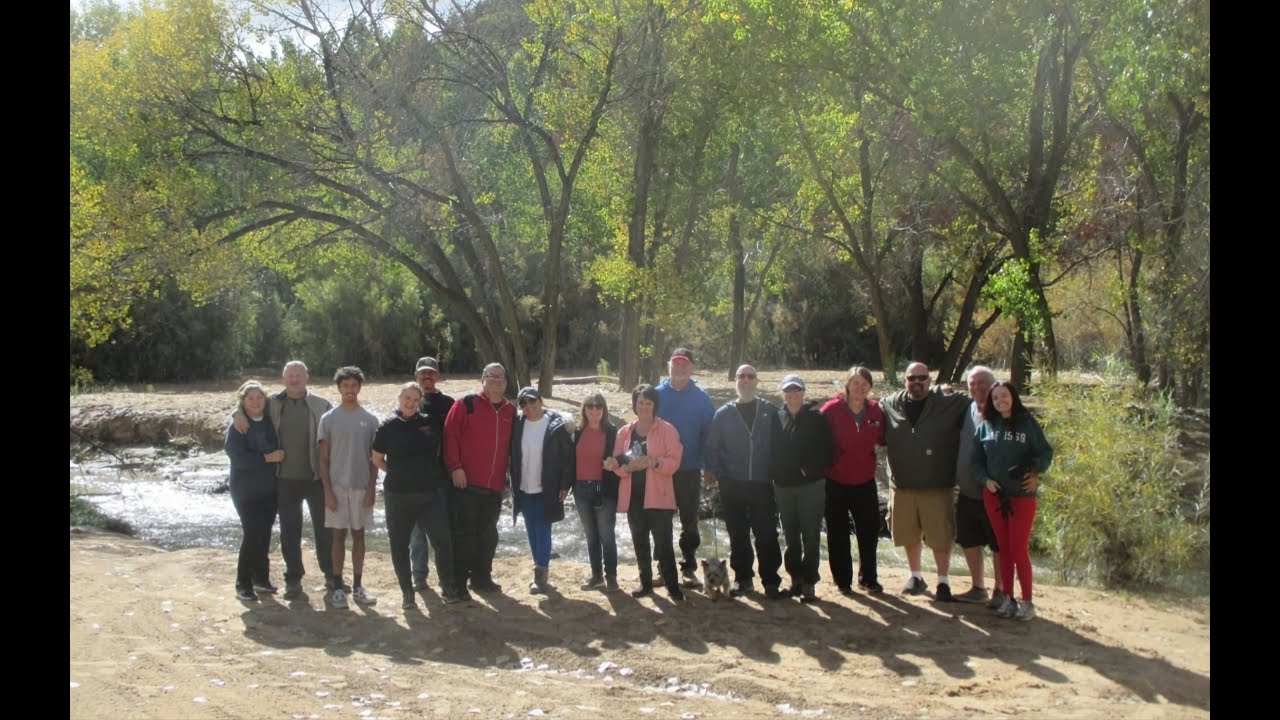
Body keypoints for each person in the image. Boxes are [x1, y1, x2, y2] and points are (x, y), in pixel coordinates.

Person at [233, 361, 335, 599]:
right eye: (290, 375)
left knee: (324, 530)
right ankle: (293, 579)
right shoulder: (273, 403)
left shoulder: (322, 405)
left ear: (307, 377)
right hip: (284, 480)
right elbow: (249, 405)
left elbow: (335, 432)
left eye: (299, 374)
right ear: (283, 378)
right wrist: (236, 412)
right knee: (290, 533)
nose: (295, 379)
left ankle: (331, 575)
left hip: (316, 479)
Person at [881, 362, 970, 601]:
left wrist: (943, 389)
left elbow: (979, 401)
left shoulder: (948, 402)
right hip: (902, 485)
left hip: (937, 485)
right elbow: (864, 408)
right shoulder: (890, 404)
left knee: (941, 537)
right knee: (908, 535)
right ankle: (916, 576)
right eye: (912, 378)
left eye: (922, 378)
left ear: (930, 381)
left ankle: (943, 582)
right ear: (905, 381)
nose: (917, 382)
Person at [372, 383, 464, 610]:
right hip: (398, 495)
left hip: (430, 494)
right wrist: (396, 473)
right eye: (407, 398)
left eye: (415, 399)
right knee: (399, 544)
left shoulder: (429, 423)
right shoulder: (387, 427)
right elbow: (376, 458)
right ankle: (407, 593)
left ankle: (448, 587)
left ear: (419, 401)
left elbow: (443, 449)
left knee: (442, 541)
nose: (411, 403)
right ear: (399, 398)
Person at [971, 381, 1053, 621]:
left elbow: (1045, 453)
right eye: (995, 398)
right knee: (1004, 548)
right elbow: (975, 461)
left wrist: (1035, 472)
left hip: (1021, 496)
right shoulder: (986, 426)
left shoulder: (1027, 424)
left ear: (1013, 397)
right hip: (995, 496)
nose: (1000, 401)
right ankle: (1008, 598)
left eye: (1004, 396)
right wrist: (985, 480)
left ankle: (1027, 602)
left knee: (1018, 549)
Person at [705, 364, 785, 598]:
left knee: (767, 533)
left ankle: (771, 582)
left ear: (757, 381)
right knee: (738, 534)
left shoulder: (770, 411)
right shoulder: (723, 414)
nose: (746, 381)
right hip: (732, 483)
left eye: (750, 377)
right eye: (741, 376)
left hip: (762, 483)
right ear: (736, 381)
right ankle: (743, 580)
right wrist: (713, 471)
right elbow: (712, 447)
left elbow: (782, 443)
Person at [607, 384, 685, 602]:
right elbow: (617, 463)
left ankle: (673, 586)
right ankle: (646, 584)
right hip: (633, 498)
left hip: (659, 497)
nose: (643, 407)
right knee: (639, 542)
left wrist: (653, 463)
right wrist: (626, 468)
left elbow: (674, 462)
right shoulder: (624, 432)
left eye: (648, 403)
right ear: (635, 404)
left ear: (654, 405)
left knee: (664, 545)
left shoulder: (667, 430)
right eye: (640, 402)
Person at [444, 363, 516, 595]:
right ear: (482, 380)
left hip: (495, 487)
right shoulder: (465, 404)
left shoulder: (510, 411)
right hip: (466, 484)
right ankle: (458, 583)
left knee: (488, 537)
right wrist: (455, 468)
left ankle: (481, 579)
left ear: (506, 383)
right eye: (491, 376)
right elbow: (450, 436)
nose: (496, 380)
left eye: (501, 377)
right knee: (464, 537)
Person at [820, 366, 888, 596]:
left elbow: (884, 439)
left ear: (870, 387)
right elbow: (816, 436)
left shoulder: (876, 411)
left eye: (864, 384)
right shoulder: (831, 409)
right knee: (837, 533)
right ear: (847, 385)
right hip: (835, 481)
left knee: (868, 533)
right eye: (855, 383)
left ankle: (868, 578)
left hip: (865, 481)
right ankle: (842, 581)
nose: (860, 388)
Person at [318, 366, 380, 609]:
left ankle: (358, 586)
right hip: (336, 487)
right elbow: (323, 459)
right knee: (337, 536)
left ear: (359, 387)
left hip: (361, 486)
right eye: (345, 386)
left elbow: (375, 460)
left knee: (359, 535)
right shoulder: (328, 419)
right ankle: (337, 588)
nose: (350, 390)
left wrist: (371, 489)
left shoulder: (371, 420)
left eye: (354, 385)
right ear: (339, 388)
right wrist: (327, 492)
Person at [654, 348, 716, 589]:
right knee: (661, 522)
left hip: (690, 469)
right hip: (660, 471)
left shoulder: (702, 399)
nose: (680, 368)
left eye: (684, 365)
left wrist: (709, 466)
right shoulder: (656, 395)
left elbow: (709, 436)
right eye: (676, 364)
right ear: (668, 366)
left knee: (689, 522)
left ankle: (688, 568)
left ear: (691, 368)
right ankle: (662, 569)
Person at [770, 374, 832, 603]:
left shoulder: (817, 418)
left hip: (810, 486)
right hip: (783, 486)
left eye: (796, 390)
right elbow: (771, 448)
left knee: (811, 536)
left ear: (803, 393)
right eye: (788, 391)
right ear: (783, 394)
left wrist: (811, 470)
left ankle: (809, 582)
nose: (792, 395)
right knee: (791, 537)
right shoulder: (777, 417)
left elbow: (828, 450)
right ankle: (795, 578)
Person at [509, 387, 575, 594]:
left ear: (541, 401)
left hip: (548, 487)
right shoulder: (517, 425)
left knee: (543, 527)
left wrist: (564, 485)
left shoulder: (556, 425)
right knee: (531, 529)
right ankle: (538, 564)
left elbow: (568, 458)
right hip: (524, 486)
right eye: (523, 403)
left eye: (532, 401)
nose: (529, 406)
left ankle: (541, 573)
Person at [224, 381, 285, 601]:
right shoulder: (238, 425)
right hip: (245, 489)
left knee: (265, 533)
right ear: (243, 401)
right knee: (252, 533)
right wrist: (268, 458)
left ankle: (261, 579)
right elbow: (237, 459)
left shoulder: (269, 420)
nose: (256, 402)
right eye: (250, 398)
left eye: (259, 398)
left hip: (268, 488)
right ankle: (243, 583)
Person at [952, 366, 1004, 606]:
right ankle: (978, 587)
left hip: (995, 493)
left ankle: (1001, 590)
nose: (976, 387)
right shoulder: (968, 408)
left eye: (982, 382)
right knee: (969, 540)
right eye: (972, 383)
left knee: (998, 544)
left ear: (994, 384)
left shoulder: (1004, 411)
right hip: (967, 492)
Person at [409, 357, 455, 592]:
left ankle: (446, 578)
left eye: (431, 373)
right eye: (423, 374)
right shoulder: (410, 401)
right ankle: (419, 576)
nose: (427, 377)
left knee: (442, 532)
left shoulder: (449, 404)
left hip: (442, 477)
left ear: (437, 376)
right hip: (415, 479)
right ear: (416, 376)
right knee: (417, 532)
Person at [572, 392, 620, 591]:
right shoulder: (577, 432)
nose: (594, 410)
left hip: (604, 489)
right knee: (591, 535)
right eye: (590, 406)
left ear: (604, 409)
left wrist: (614, 463)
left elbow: (623, 456)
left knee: (606, 535)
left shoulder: (612, 432)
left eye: (599, 406)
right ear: (584, 409)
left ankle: (611, 576)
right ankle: (596, 575)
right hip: (580, 489)